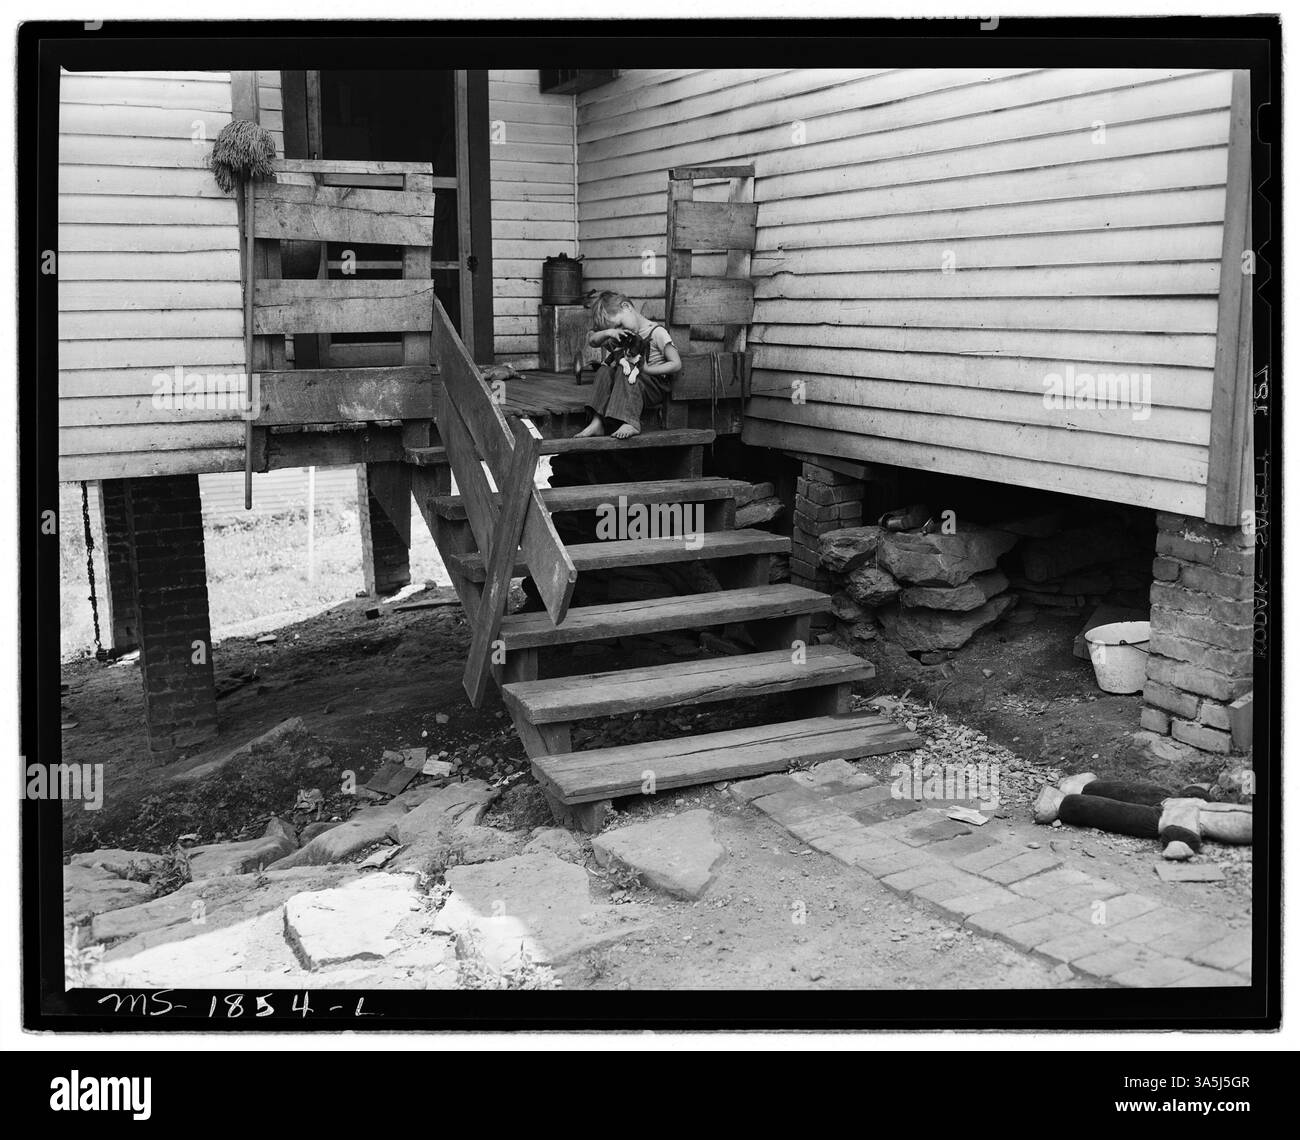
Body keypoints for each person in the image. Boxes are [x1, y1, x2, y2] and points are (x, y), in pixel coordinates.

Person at [576, 291, 682, 439]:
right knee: (604, 371)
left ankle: (630, 421)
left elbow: (676, 364)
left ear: (626, 307)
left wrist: (648, 369)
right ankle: (597, 422)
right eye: (616, 328)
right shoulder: (620, 336)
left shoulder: (657, 332)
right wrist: (609, 332)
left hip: (653, 385)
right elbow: (593, 341)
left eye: (619, 324)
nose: (620, 330)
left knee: (625, 370)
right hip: (627, 382)